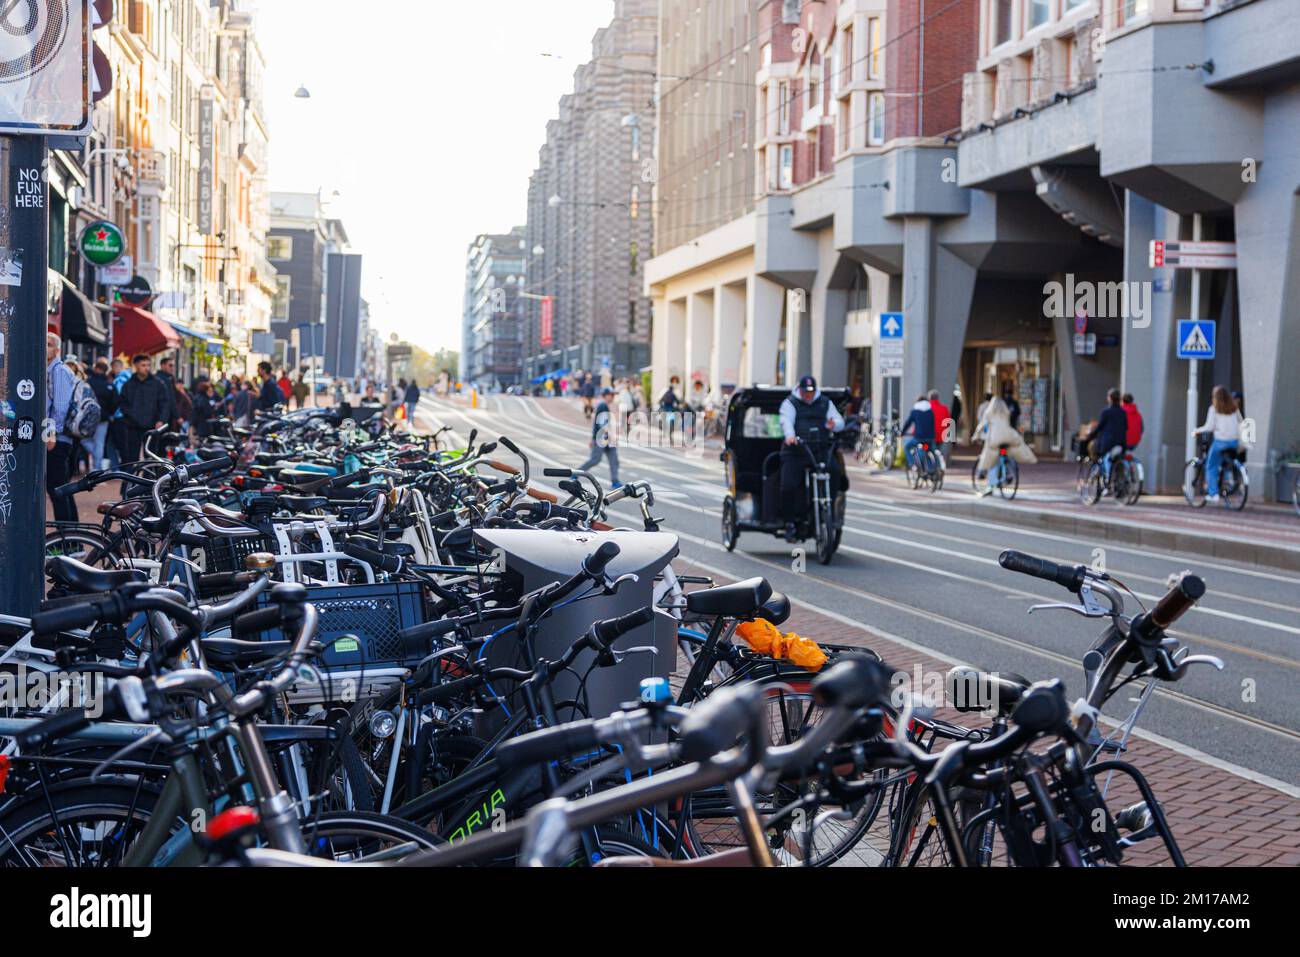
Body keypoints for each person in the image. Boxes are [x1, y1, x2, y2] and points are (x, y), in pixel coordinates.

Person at [778, 376, 846, 542]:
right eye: (805, 392)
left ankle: (828, 507)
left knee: (836, 472)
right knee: (788, 485)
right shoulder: (790, 403)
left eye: (811, 392)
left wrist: (833, 424)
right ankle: (790, 522)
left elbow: (839, 421)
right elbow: (786, 421)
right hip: (797, 451)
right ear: (799, 390)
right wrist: (790, 436)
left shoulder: (825, 402)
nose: (808, 395)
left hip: (819, 449)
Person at [45, 334, 79, 522]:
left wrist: (50, 434)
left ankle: (66, 540)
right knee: (62, 489)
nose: (45, 348)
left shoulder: (58, 371)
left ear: (57, 350)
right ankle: (73, 541)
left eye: (49, 345)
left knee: (57, 489)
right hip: (57, 437)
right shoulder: (50, 370)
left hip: (58, 438)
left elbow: (59, 407)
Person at [974, 397, 1038, 496]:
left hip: (995, 439)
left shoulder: (989, 413)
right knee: (1009, 451)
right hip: (1008, 437)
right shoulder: (1006, 412)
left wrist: (976, 435)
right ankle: (1008, 469)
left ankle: (991, 485)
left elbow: (983, 425)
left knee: (991, 459)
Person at [1192, 386, 1244, 504]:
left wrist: (1196, 430)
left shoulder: (1214, 409)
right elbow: (1241, 423)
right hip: (1234, 442)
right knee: (1226, 461)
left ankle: (1213, 494)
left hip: (1221, 442)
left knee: (1211, 466)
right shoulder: (1234, 408)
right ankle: (1228, 478)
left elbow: (1209, 427)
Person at [119, 354, 169, 464]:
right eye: (143, 365)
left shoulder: (158, 383)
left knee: (151, 457)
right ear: (136, 365)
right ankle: (130, 480)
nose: (146, 368)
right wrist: (130, 417)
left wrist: (161, 420)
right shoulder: (128, 385)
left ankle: (149, 479)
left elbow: (164, 403)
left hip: (152, 426)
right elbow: (123, 404)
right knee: (131, 457)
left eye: (148, 365)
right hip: (133, 426)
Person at [1083, 389, 1129, 488]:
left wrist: (1090, 436)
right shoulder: (1123, 412)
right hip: (1121, 443)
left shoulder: (1106, 411)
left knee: (1097, 452)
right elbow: (1126, 427)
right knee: (1115, 458)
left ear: (1110, 398)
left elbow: (1099, 427)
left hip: (1108, 443)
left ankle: (1106, 479)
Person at [578, 386, 621, 489]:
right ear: (605, 396)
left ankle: (615, 481)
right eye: (611, 395)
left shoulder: (604, 406)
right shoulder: (602, 406)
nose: (612, 397)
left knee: (613, 459)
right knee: (595, 460)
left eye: (613, 395)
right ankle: (576, 474)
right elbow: (602, 425)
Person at [85, 358, 116, 471]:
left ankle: (96, 464)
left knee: (84, 440)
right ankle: (97, 467)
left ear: (96, 368)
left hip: (88, 417)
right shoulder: (109, 385)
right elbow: (114, 402)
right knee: (100, 443)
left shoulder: (88, 383)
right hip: (104, 417)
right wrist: (109, 413)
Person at [900, 395, 935, 472]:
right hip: (930, 437)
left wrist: (902, 432)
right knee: (930, 451)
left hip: (919, 437)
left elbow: (908, 423)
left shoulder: (915, 411)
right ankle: (932, 469)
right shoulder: (931, 411)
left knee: (907, 447)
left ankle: (913, 465)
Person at [155, 355, 179, 429]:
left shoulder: (169, 379)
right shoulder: (162, 380)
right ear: (163, 365)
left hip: (165, 417)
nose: (172, 368)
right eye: (170, 365)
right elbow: (170, 399)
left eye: (173, 366)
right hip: (161, 418)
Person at [659, 376, 681, 443]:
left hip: (666, 409)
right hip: (670, 409)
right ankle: (669, 434)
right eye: (674, 381)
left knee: (669, 422)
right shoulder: (673, 392)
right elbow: (678, 401)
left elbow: (660, 400)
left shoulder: (668, 391)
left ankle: (667, 433)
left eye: (676, 381)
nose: (675, 383)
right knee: (671, 422)